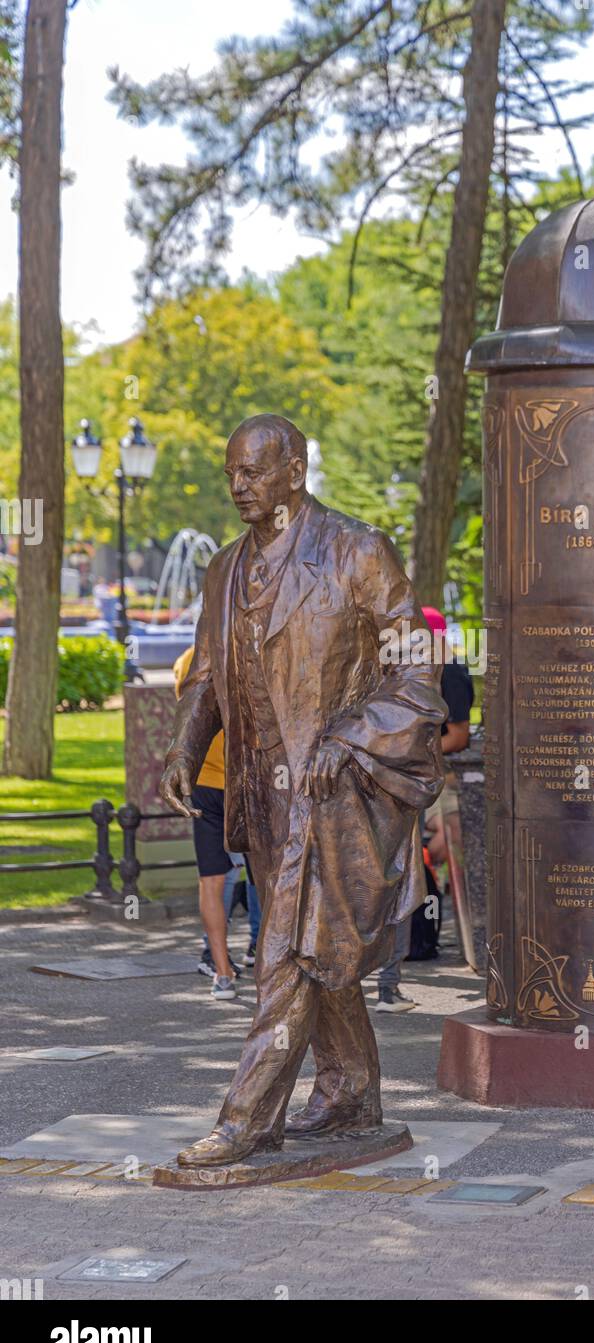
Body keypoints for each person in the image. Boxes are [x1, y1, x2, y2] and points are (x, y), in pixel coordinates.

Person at [160, 414, 446, 1166]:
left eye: (251, 472)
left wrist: (352, 733)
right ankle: (350, 1092)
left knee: (281, 953)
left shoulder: (356, 551)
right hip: (260, 795)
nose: (237, 487)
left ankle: (246, 1119)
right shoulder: (223, 570)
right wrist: (186, 748)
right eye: (230, 474)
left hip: (332, 795)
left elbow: (417, 669)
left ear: (295, 469)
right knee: (318, 948)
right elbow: (212, 681)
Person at [375, 604, 472, 1012]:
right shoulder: (417, 677)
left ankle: (386, 983)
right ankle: (387, 985)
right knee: (399, 881)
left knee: (393, 881)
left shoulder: (402, 676)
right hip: (401, 789)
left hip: (391, 786)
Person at [172, 646, 260, 999]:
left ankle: (222, 972)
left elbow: (186, 718)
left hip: (206, 784)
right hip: (248, 783)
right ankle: (268, 964)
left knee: (211, 882)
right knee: (265, 878)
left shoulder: (186, 660)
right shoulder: (248, 654)